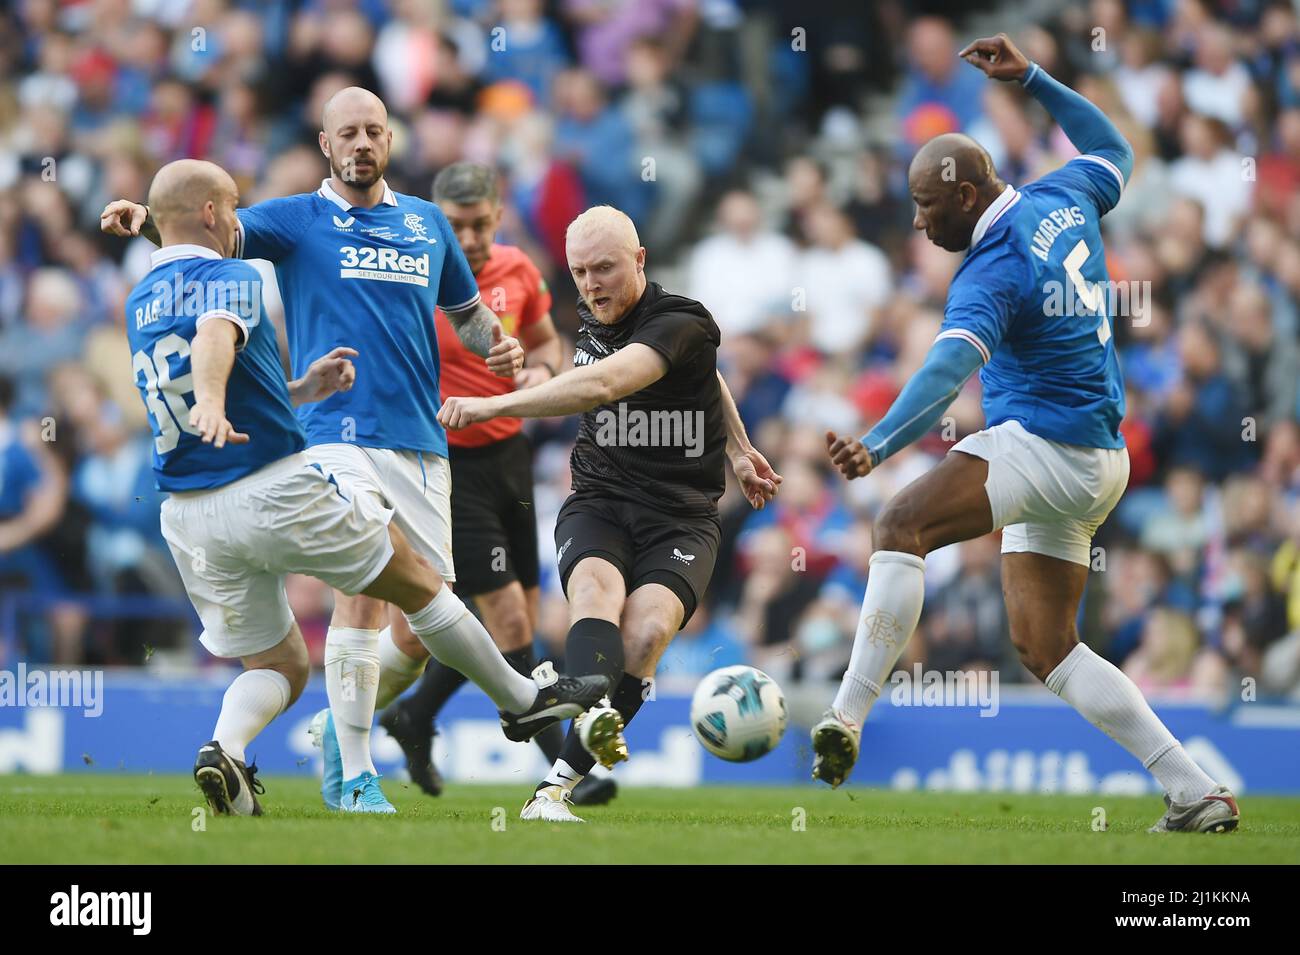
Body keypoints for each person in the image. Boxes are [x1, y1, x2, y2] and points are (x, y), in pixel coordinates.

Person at [814, 34, 1239, 834]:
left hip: (1049, 445)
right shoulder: (1062, 194)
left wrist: (876, 443)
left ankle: (844, 717)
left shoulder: (994, 268)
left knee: (899, 523)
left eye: (928, 207)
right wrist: (1038, 79)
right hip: (1094, 457)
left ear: (969, 195)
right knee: (1046, 646)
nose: (917, 220)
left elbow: (943, 374)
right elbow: (1114, 147)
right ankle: (1194, 790)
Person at [101, 88, 549, 813]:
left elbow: (467, 320)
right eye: (349, 132)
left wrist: (495, 345)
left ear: (390, 139)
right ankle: (359, 774)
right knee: (365, 597)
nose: (363, 142)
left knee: (420, 614)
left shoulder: (427, 224)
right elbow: (205, 242)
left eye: (375, 129)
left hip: (422, 438)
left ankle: (343, 736)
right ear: (326, 143)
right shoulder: (294, 219)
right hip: (336, 433)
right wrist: (150, 222)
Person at [439, 205, 781, 822]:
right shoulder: (593, 315)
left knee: (646, 634)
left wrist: (494, 407)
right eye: (579, 272)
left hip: (681, 516)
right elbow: (709, 381)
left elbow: (604, 385)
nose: (592, 285)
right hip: (598, 501)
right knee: (595, 592)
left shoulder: (682, 320)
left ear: (641, 260)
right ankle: (576, 712)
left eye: (605, 268)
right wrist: (738, 444)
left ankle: (556, 776)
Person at [371, 161, 612, 805]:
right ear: (436, 221)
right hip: (443, 466)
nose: (471, 239)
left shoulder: (521, 271)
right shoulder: (411, 275)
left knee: (517, 623)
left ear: (499, 217)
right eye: (457, 226)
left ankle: (414, 716)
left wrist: (541, 374)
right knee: (506, 619)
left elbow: (547, 343)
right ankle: (564, 773)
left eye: (481, 225)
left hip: (509, 456)